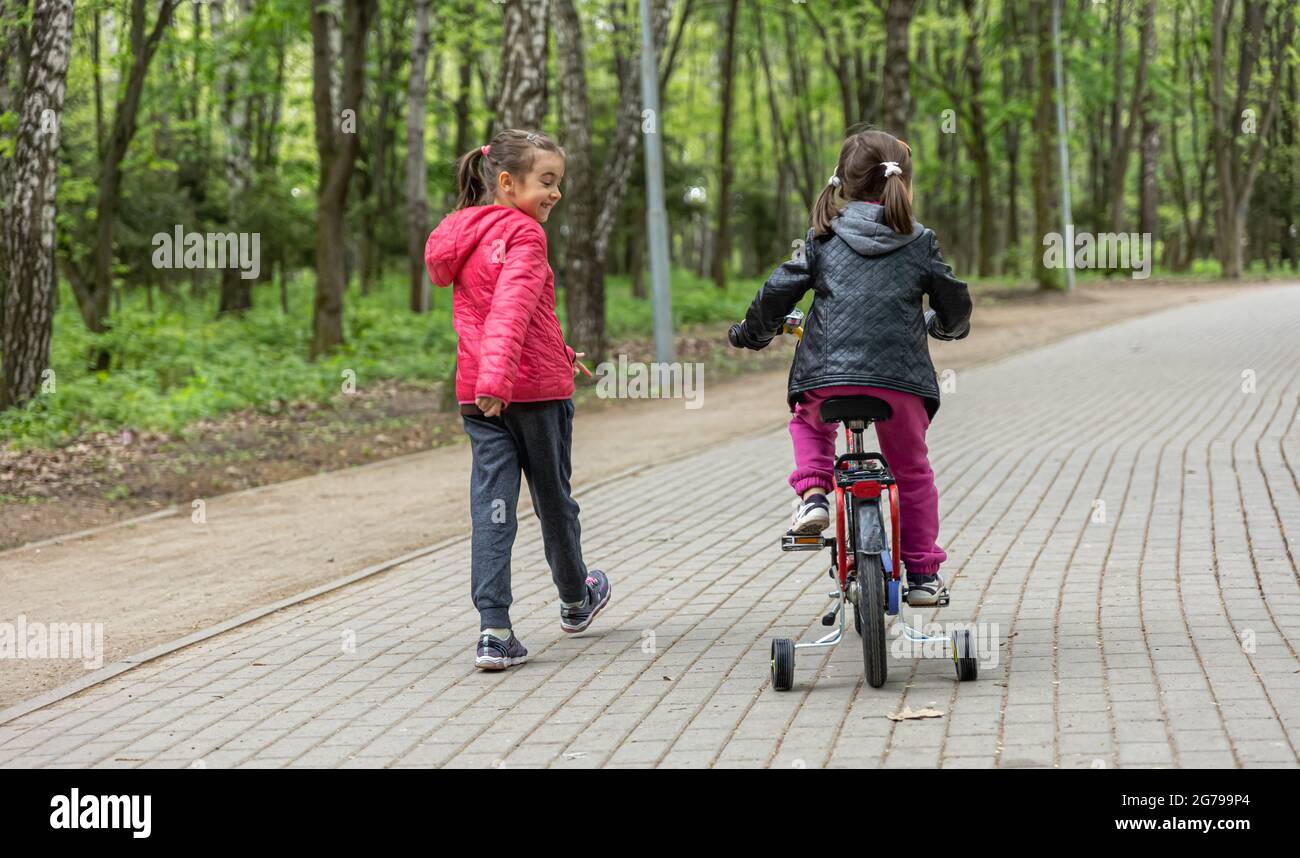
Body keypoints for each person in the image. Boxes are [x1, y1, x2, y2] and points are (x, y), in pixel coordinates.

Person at [729, 127, 971, 606]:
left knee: (809, 422)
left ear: (842, 180)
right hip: (899, 381)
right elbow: (954, 300)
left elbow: (778, 290)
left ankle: (814, 496)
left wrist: (752, 332)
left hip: (827, 375)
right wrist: (945, 326)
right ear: (899, 181)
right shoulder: (920, 241)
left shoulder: (821, 237)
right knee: (913, 472)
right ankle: (921, 575)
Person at [425, 128, 611, 669]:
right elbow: (508, 310)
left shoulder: (462, 233)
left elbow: (507, 314)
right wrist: (498, 382)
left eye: (559, 183)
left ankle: (494, 629)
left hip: (480, 395)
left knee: (492, 506)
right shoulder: (524, 235)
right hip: (521, 395)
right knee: (553, 499)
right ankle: (576, 601)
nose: (555, 193)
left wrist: (559, 350)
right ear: (507, 182)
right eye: (546, 182)